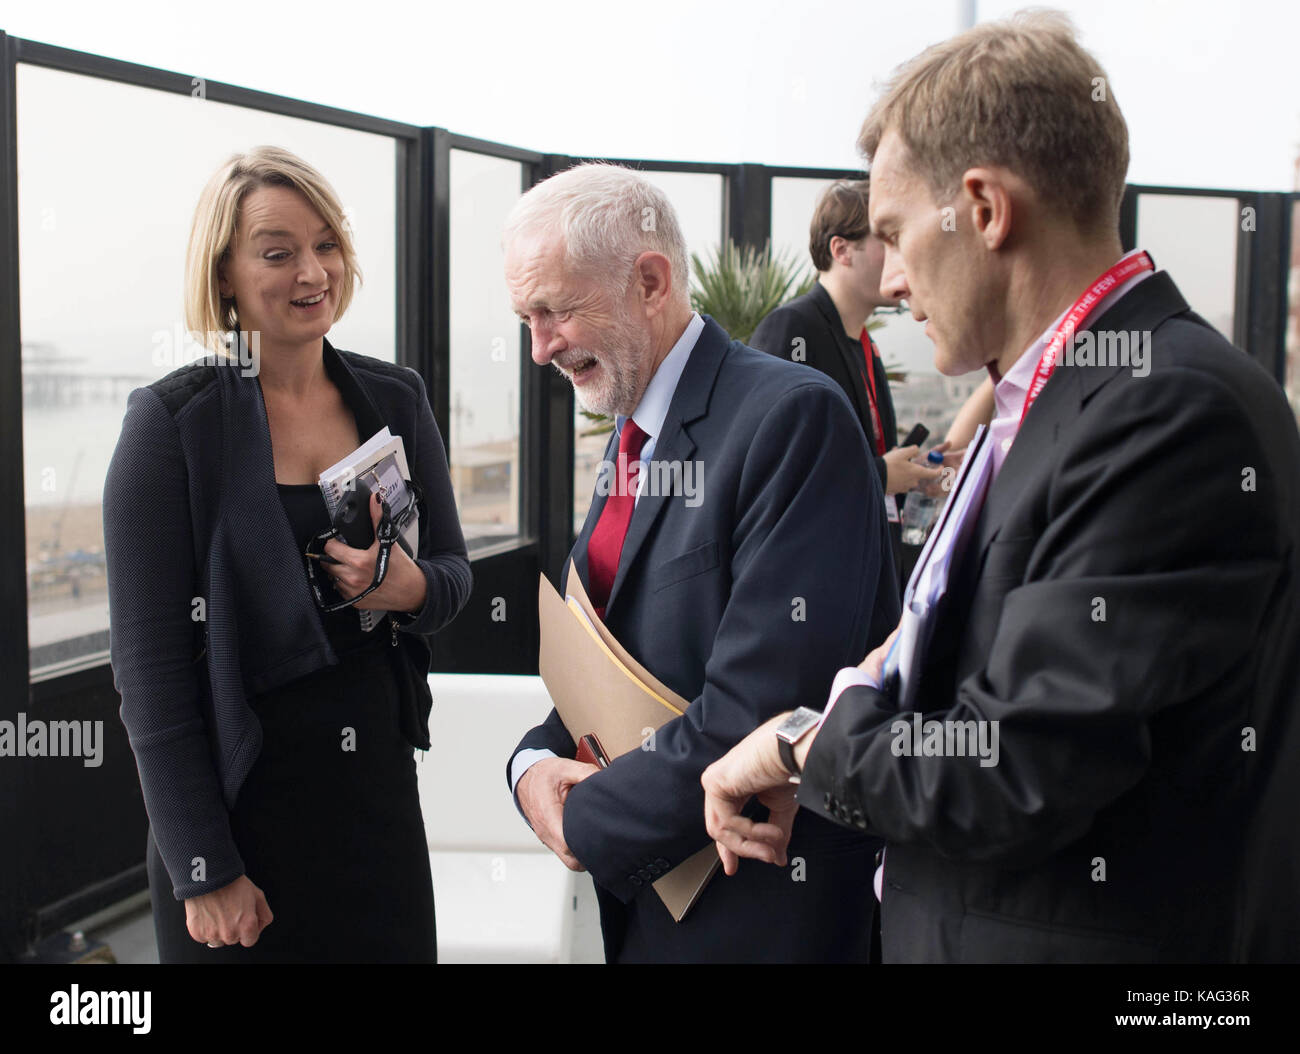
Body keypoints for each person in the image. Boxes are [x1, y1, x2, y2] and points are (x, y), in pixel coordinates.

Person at [702, 10, 1300, 963]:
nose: (890, 279)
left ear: (983, 209)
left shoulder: (1168, 412)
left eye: (894, 234)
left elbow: (1016, 767)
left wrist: (797, 746)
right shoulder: (1058, 394)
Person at [504, 163, 899, 963]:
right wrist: (531, 766)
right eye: (525, 318)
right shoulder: (629, 434)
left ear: (650, 281)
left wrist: (579, 819)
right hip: (656, 910)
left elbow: (760, 708)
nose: (540, 346)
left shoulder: (791, 419)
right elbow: (604, 661)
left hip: (759, 914)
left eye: (554, 312)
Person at [103, 146, 472, 963]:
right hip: (241, 811)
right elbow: (149, 672)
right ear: (225, 274)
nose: (313, 271)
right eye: (278, 253)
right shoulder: (170, 428)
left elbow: (453, 577)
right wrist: (203, 867)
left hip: (375, 799)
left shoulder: (395, 398)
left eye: (328, 244)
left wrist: (410, 591)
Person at [750, 178, 941, 589]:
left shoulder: (864, 346)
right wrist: (878, 475)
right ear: (841, 251)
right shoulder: (792, 328)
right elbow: (766, 471)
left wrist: (910, 474)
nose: (899, 260)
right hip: (811, 587)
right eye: (886, 243)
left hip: (863, 572)